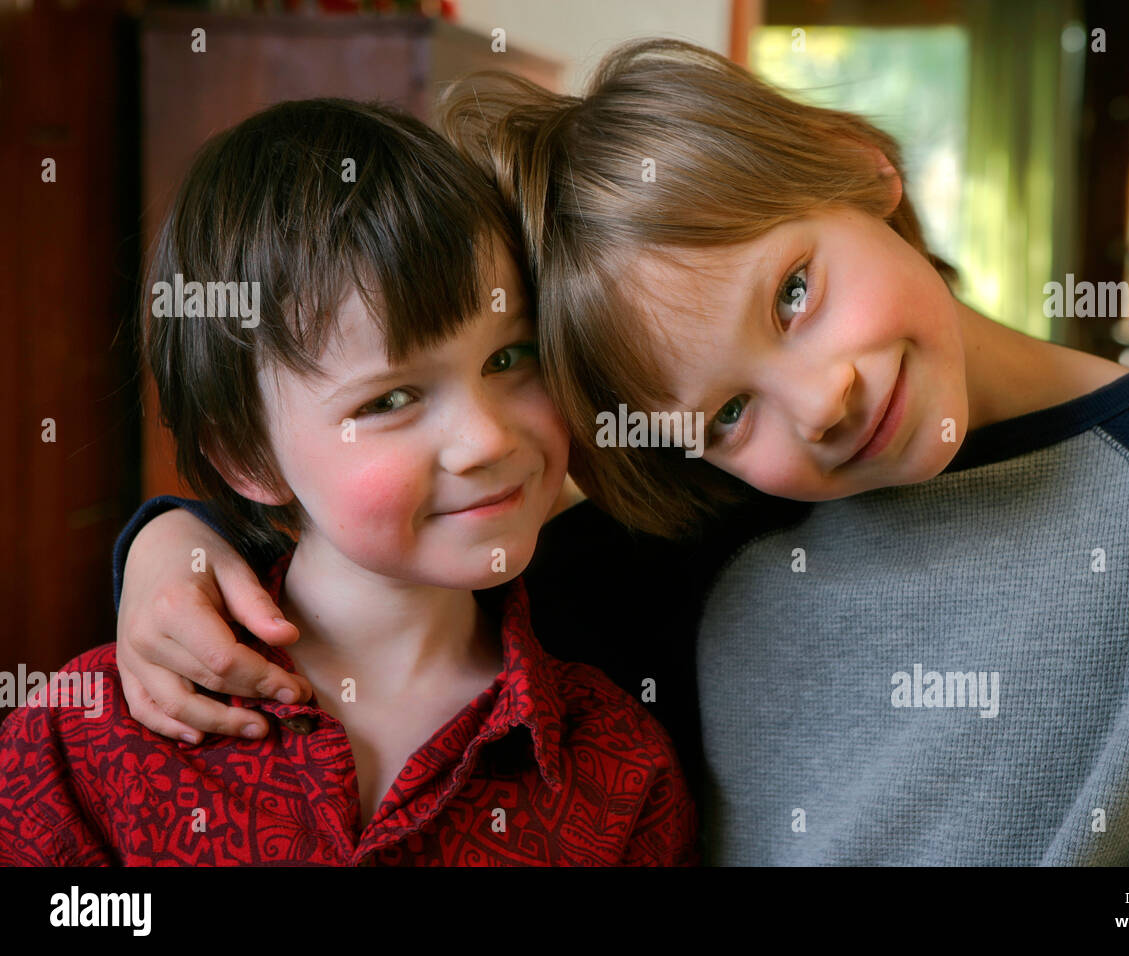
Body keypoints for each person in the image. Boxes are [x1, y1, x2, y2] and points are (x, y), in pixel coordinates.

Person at [107, 41, 1129, 865]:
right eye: (725, 412)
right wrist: (175, 536)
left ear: (860, 170)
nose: (822, 400)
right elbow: (399, 570)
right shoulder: (701, 523)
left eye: (792, 292)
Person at [0, 98, 695, 866]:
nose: (487, 439)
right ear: (246, 457)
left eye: (508, 359)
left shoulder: (623, 768)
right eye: (390, 399)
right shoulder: (81, 736)